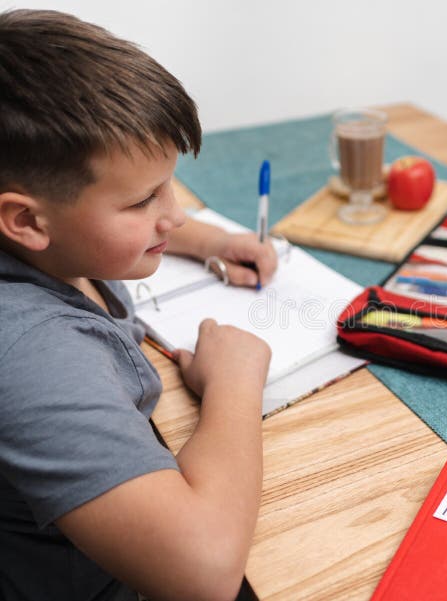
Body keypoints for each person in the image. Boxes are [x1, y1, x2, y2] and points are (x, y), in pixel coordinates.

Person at [0, 9, 277, 601]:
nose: (173, 214)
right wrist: (235, 384)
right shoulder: (34, 355)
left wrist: (211, 240)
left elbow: (98, 215)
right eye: (144, 200)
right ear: (24, 220)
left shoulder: (48, 234)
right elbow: (204, 574)